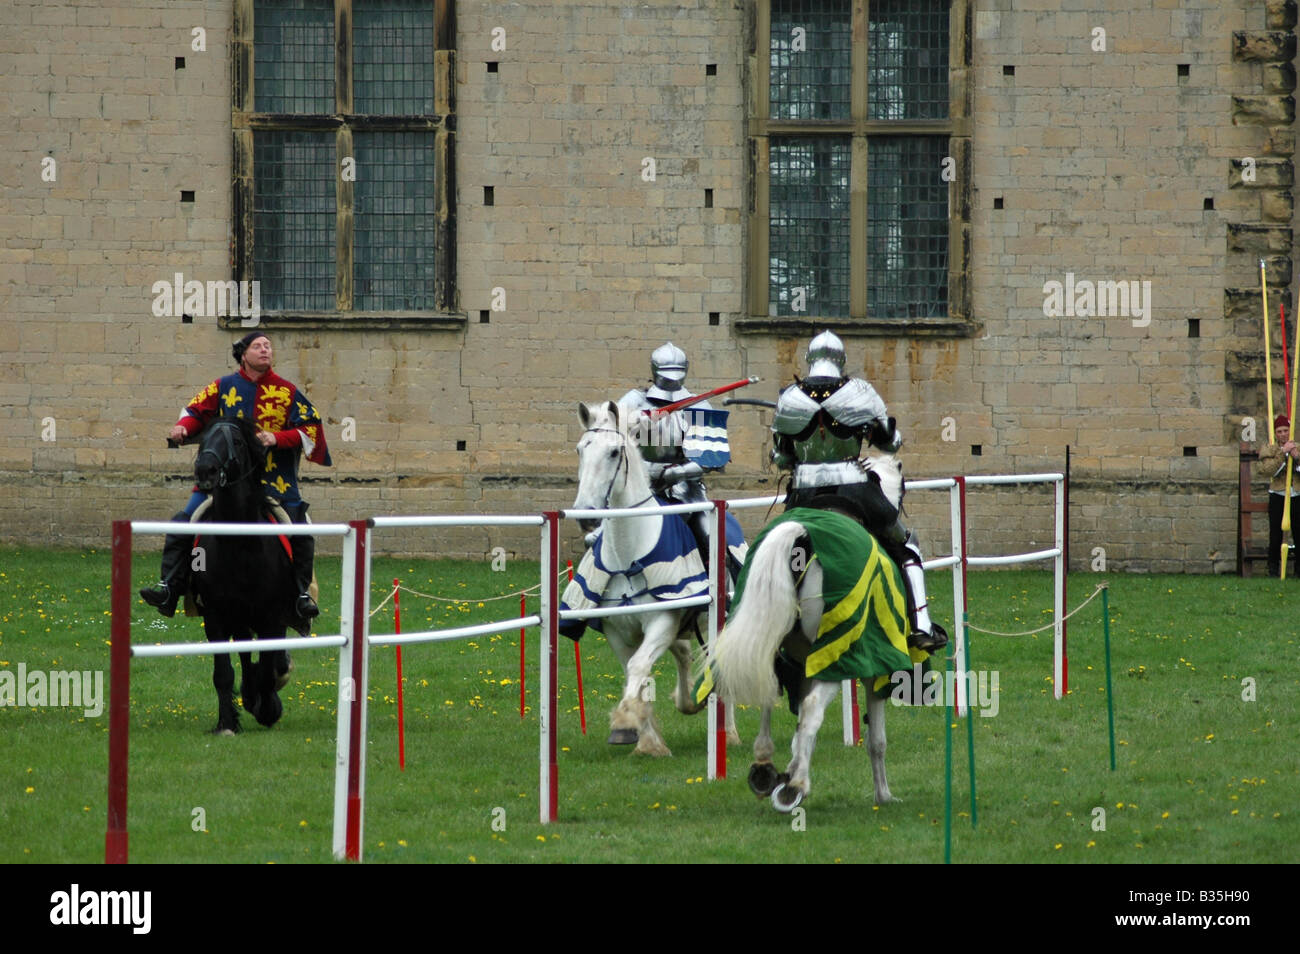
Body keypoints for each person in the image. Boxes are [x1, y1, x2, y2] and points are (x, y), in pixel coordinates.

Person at [770, 330, 947, 651]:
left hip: (804, 494)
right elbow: (889, 444)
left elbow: (782, 458)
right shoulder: (860, 392)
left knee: (784, 550)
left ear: (809, 359)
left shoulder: (789, 397)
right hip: (853, 489)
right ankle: (921, 625)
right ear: (841, 360)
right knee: (905, 543)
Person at [139, 331, 332, 617]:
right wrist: (183, 427)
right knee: (184, 523)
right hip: (221, 484)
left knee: (300, 530)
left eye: (268, 346)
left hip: (275, 484)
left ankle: (301, 595)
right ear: (243, 355)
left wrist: (277, 438)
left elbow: (311, 429)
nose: (265, 350)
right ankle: (173, 585)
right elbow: (195, 412)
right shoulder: (223, 386)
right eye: (258, 346)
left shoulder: (287, 391)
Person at [617, 342, 720, 560]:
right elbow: (611, 445)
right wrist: (646, 469)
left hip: (687, 492)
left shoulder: (697, 405)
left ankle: (723, 581)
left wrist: (677, 472)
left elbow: (712, 457)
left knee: (712, 542)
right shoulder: (634, 402)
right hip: (638, 488)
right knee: (599, 539)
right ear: (654, 370)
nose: (672, 380)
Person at [1257, 413, 1300, 577]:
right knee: (1275, 533)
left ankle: (1298, 570)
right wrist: (1283, 453)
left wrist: (1297, 457)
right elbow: (1268, 470)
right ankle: (1273, 569)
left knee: (1298, 531)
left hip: (1296, 493)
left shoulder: (1297, 447)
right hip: (1278, 493)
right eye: (1279, 431)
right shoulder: (1270, 449)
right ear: (1275, 434)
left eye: (1285, 430)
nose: (1283, 434)